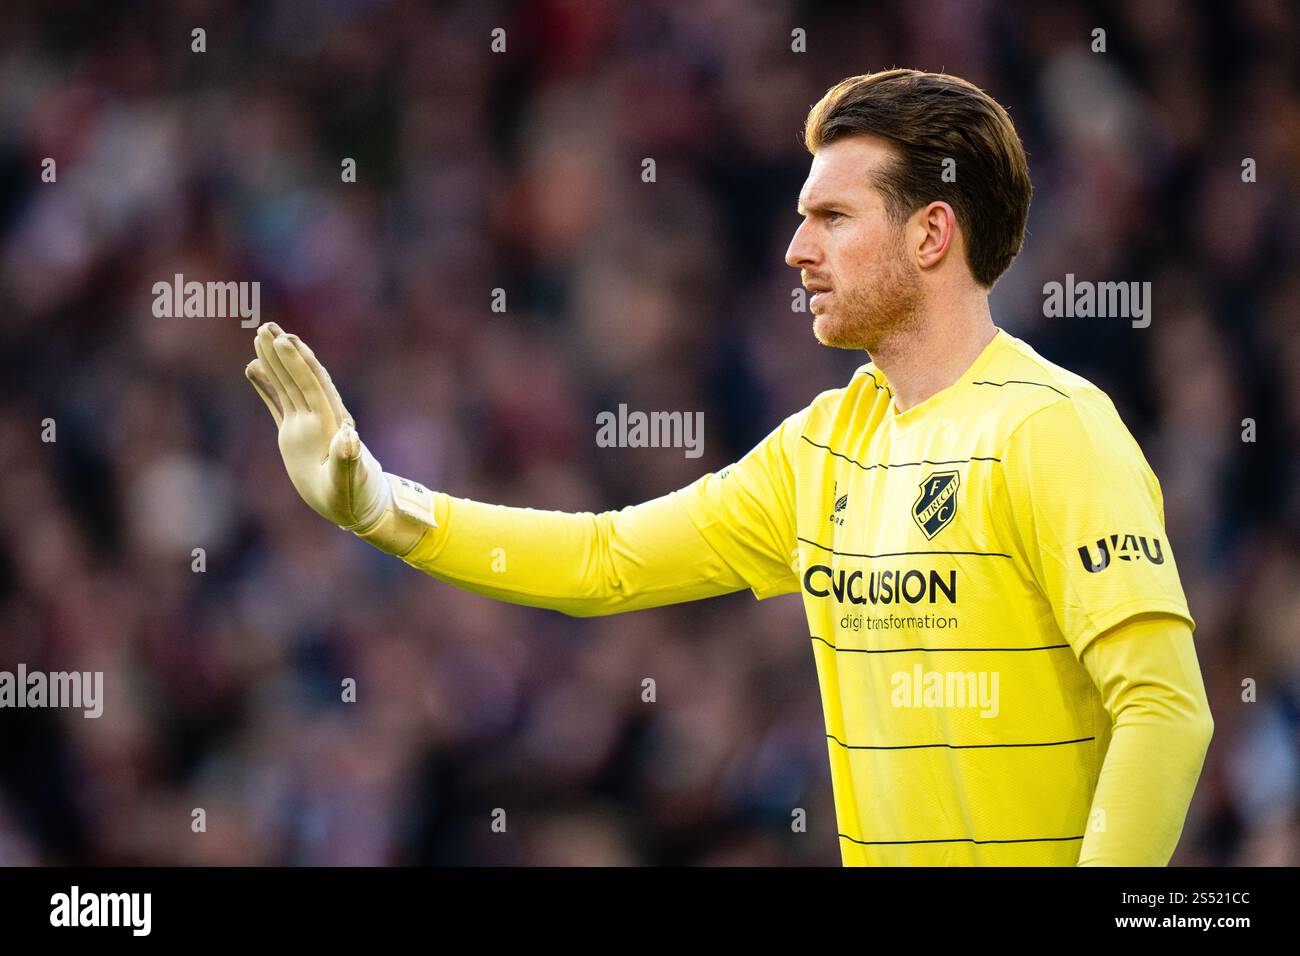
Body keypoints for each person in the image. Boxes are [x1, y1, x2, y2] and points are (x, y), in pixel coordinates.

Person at [245, 69, 1213, 866]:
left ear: (930, 234)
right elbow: (604, 560)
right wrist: (378, 505)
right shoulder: (820, 448)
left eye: (833, 216)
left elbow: (1165, 709)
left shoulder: (1055, 428)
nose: (796, 249)